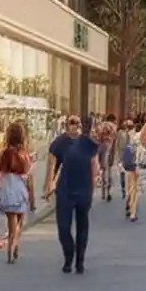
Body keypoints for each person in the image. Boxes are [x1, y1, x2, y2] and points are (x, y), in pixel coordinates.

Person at [49, 116, 101, 274]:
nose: (75, 125)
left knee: (82, 227)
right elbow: (52, 166)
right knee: (63, 227)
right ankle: (69, 255)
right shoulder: (59, 143)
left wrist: (93, 189)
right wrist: (48, 186)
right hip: (64, 190)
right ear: (66, 125)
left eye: (78, 122)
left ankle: (80, 261)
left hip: (83, 189)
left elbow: (94, 168)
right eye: (72, 122)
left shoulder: (88, 144)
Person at [0, 122, 35, 264]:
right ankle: (15, 243)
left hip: (6, 187)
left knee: (11, 219)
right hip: (19, 187)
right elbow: (29, 176)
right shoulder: (24, 154)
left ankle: (10, 243)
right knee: (20, 218)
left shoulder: (4, 153)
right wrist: (32, 199)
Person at [121, 130, 140, 222]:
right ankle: (133, 213)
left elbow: (123, 160)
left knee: (130, 189)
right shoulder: (136, 148)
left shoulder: (127, 147)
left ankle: (128, 204)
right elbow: (138, 161)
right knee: (134, 191)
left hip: (127, 169)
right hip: (133, 169)